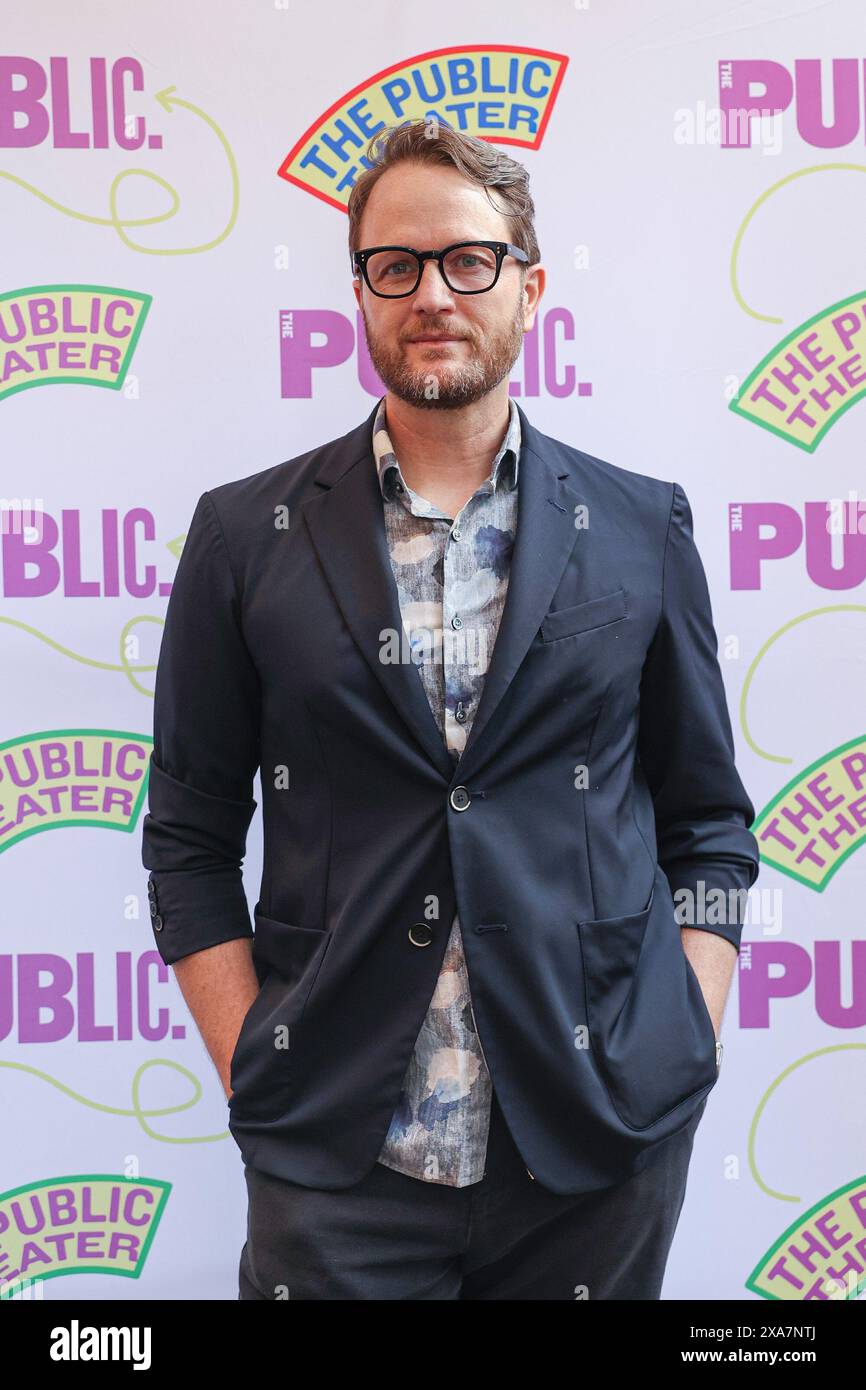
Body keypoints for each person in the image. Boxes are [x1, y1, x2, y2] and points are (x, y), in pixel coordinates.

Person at [141, 119, 760, 1300]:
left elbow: (705, 821)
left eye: (467, 261)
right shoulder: (243, 536)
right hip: (336, 1156)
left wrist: (685, 1023)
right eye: (396, 264)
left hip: (594, 1150)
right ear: (361, 293)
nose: (433, 292)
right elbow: (187, 837)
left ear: (528, 289)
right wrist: (250, 1065)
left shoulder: (640, 527)